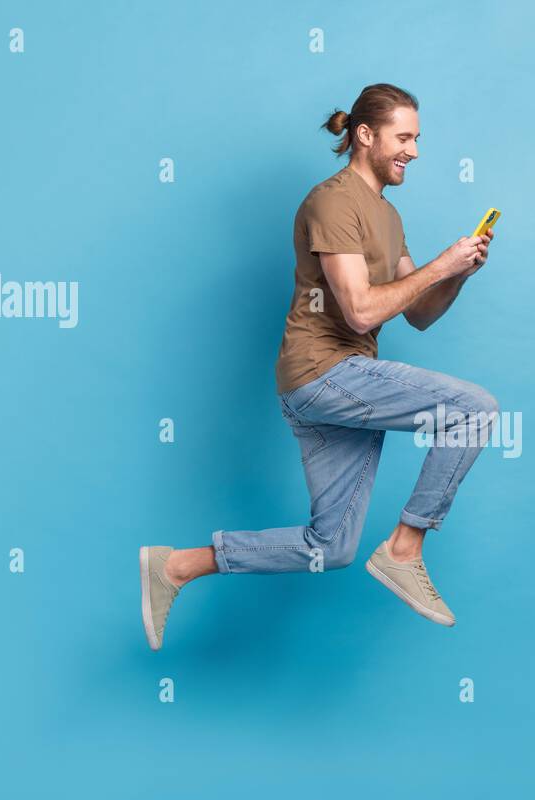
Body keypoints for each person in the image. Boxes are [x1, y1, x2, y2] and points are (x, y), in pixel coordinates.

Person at [139, 82, 498, 650]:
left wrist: (458, 273)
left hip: (341, 386)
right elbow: (358, 311)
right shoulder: (332, 201)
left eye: (417, 139)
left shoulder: (388, 216)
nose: (415, 150)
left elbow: (420, 314)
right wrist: (439, 264)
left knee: (330, 547)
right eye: (404, 137)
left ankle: (176, 567)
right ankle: (404, 549)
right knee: (474, 409)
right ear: (365, 135)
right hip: (324, 372)